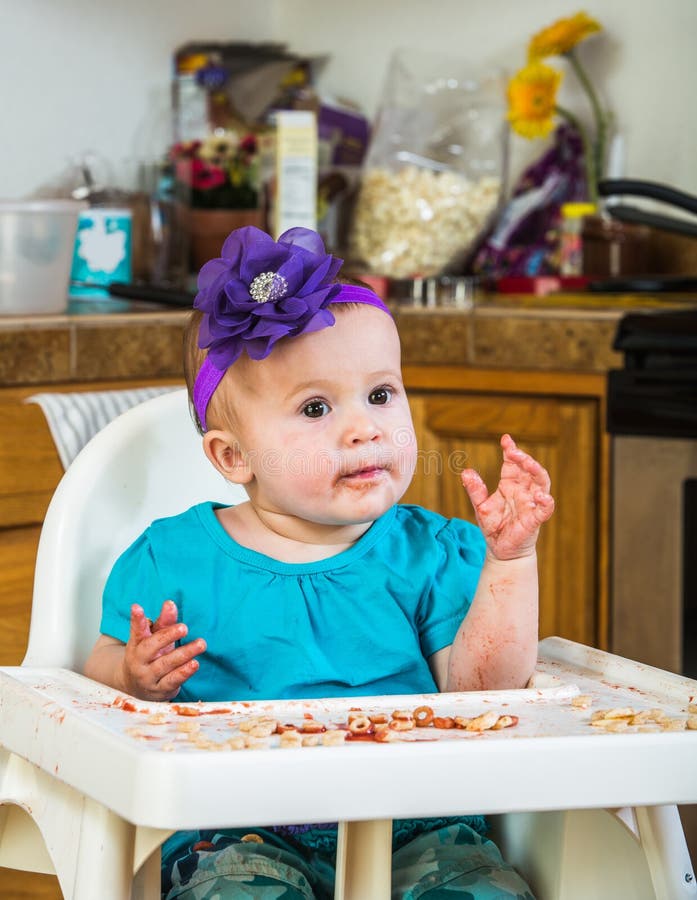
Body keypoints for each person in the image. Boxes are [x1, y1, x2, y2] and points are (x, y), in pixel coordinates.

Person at [84, 226, 554, 900]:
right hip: (237, 832)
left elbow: (483, 693)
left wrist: (509, 562)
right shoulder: (172, 558)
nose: (365, 428)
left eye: (381, 394)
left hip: (418, 827)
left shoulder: (430, 552)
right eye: (314, 407)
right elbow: (97, 672)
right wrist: (133, 677)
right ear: (233, 457)